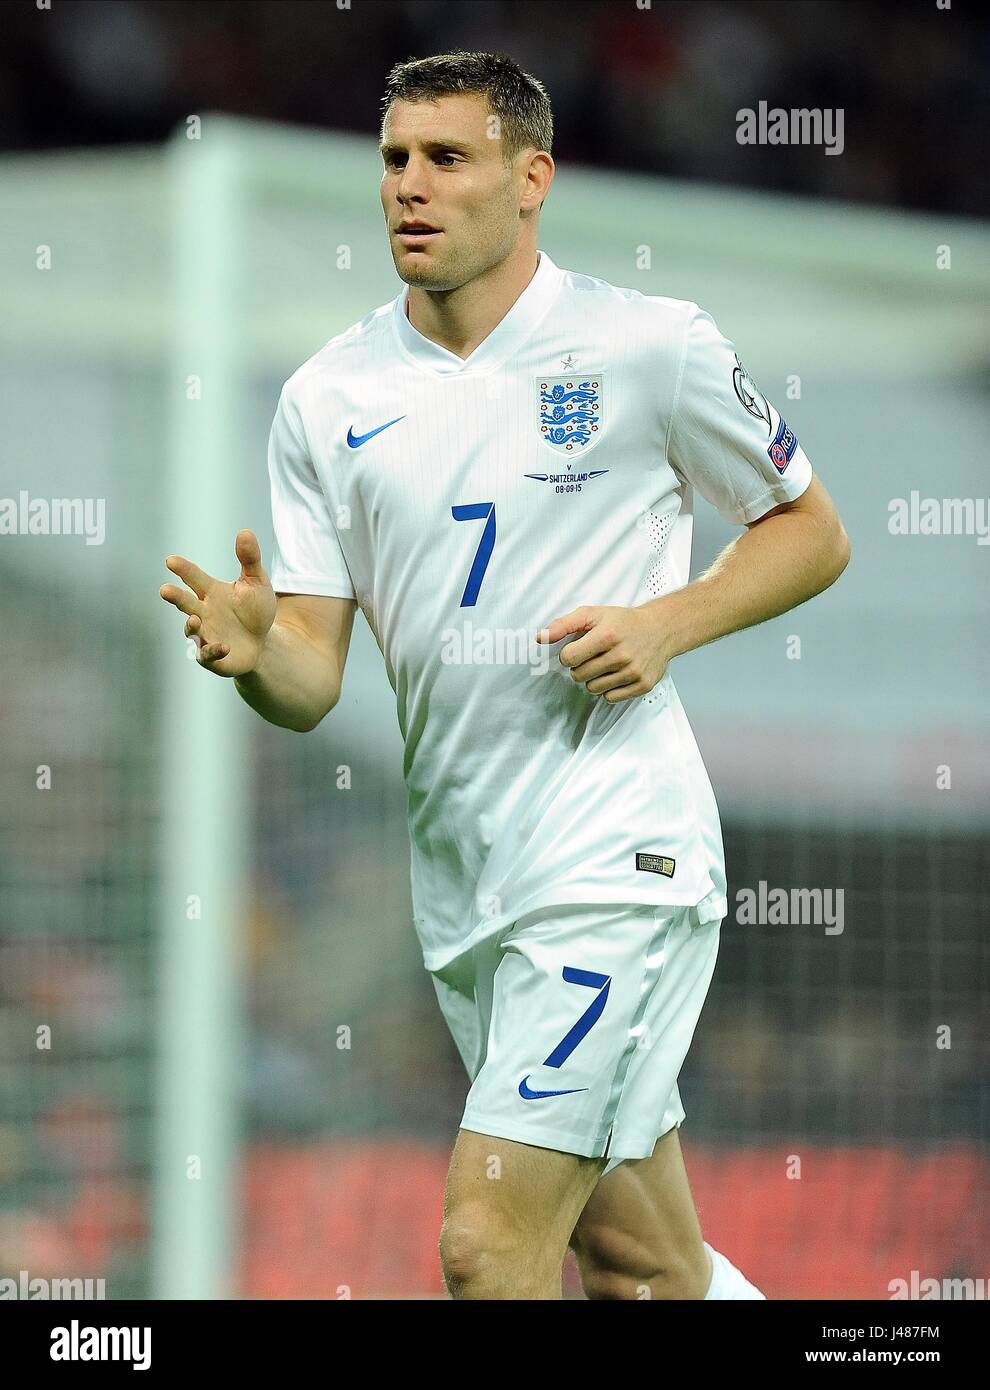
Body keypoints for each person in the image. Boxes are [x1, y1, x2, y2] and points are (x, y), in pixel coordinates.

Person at [160, 50, 850, 1300]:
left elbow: (812, 529)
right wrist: (260, 657)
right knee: (640, 1263)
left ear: (532, 178)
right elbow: (313, 680)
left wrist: (669, 623)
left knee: (487, 1246)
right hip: (465, 882)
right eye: (393, 161)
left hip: (613, 856)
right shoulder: (329, 398)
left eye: (447, 159)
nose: (409, 189)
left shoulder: (649, 348)